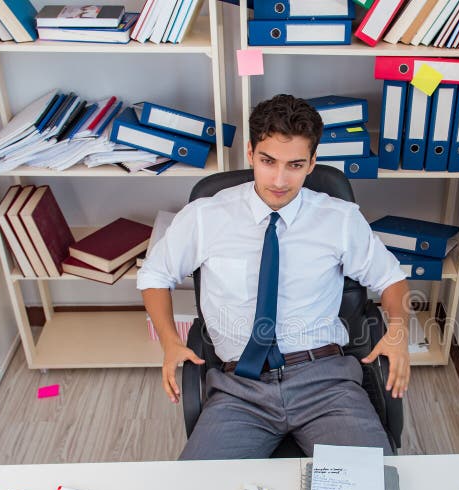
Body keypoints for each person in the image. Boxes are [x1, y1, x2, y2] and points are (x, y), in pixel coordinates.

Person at [138, 94, 411, 459]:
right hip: (239, 388)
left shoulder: (340, 219)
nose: (280, 179)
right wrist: (171, 342)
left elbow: (391, 279)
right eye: (268, 161)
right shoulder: (205, 216)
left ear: (313, 163)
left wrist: (398, 332)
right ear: (250, 153)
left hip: (326, 381)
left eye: (295, 165)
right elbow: (155, 275)